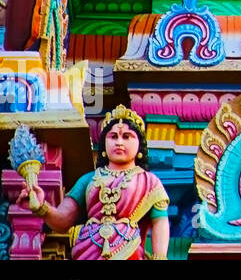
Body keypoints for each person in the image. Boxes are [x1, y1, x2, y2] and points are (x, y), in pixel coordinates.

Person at [25, 104, 169, 260]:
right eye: (113, 136)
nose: (119, 142)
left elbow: (160, 221)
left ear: (139, 145)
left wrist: (160, 256)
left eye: (127, 136)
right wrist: (42, 206)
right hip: (87, 249)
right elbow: (63, 220)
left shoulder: (149, 181)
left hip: (128, 250)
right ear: (104, 144)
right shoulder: (89, 180)